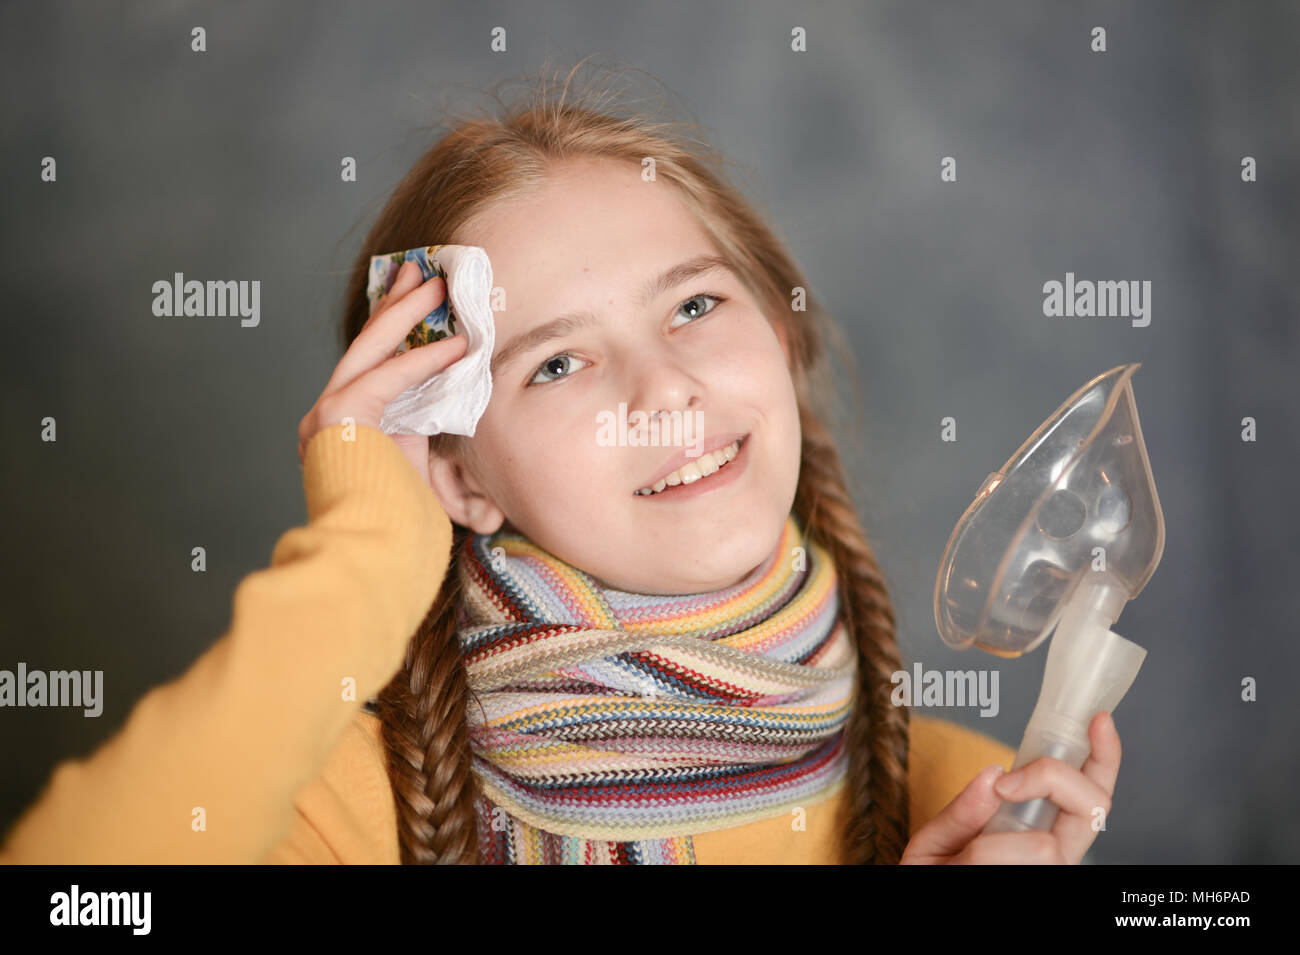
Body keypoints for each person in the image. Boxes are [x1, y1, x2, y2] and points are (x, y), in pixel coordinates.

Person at [0, 62, 1122, 865]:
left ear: (782, 336)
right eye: (554, 365)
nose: (663, 389)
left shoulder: (970, 800)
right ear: (460, 477)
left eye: (692, 302)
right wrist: (368, 553)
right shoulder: (360, 802)